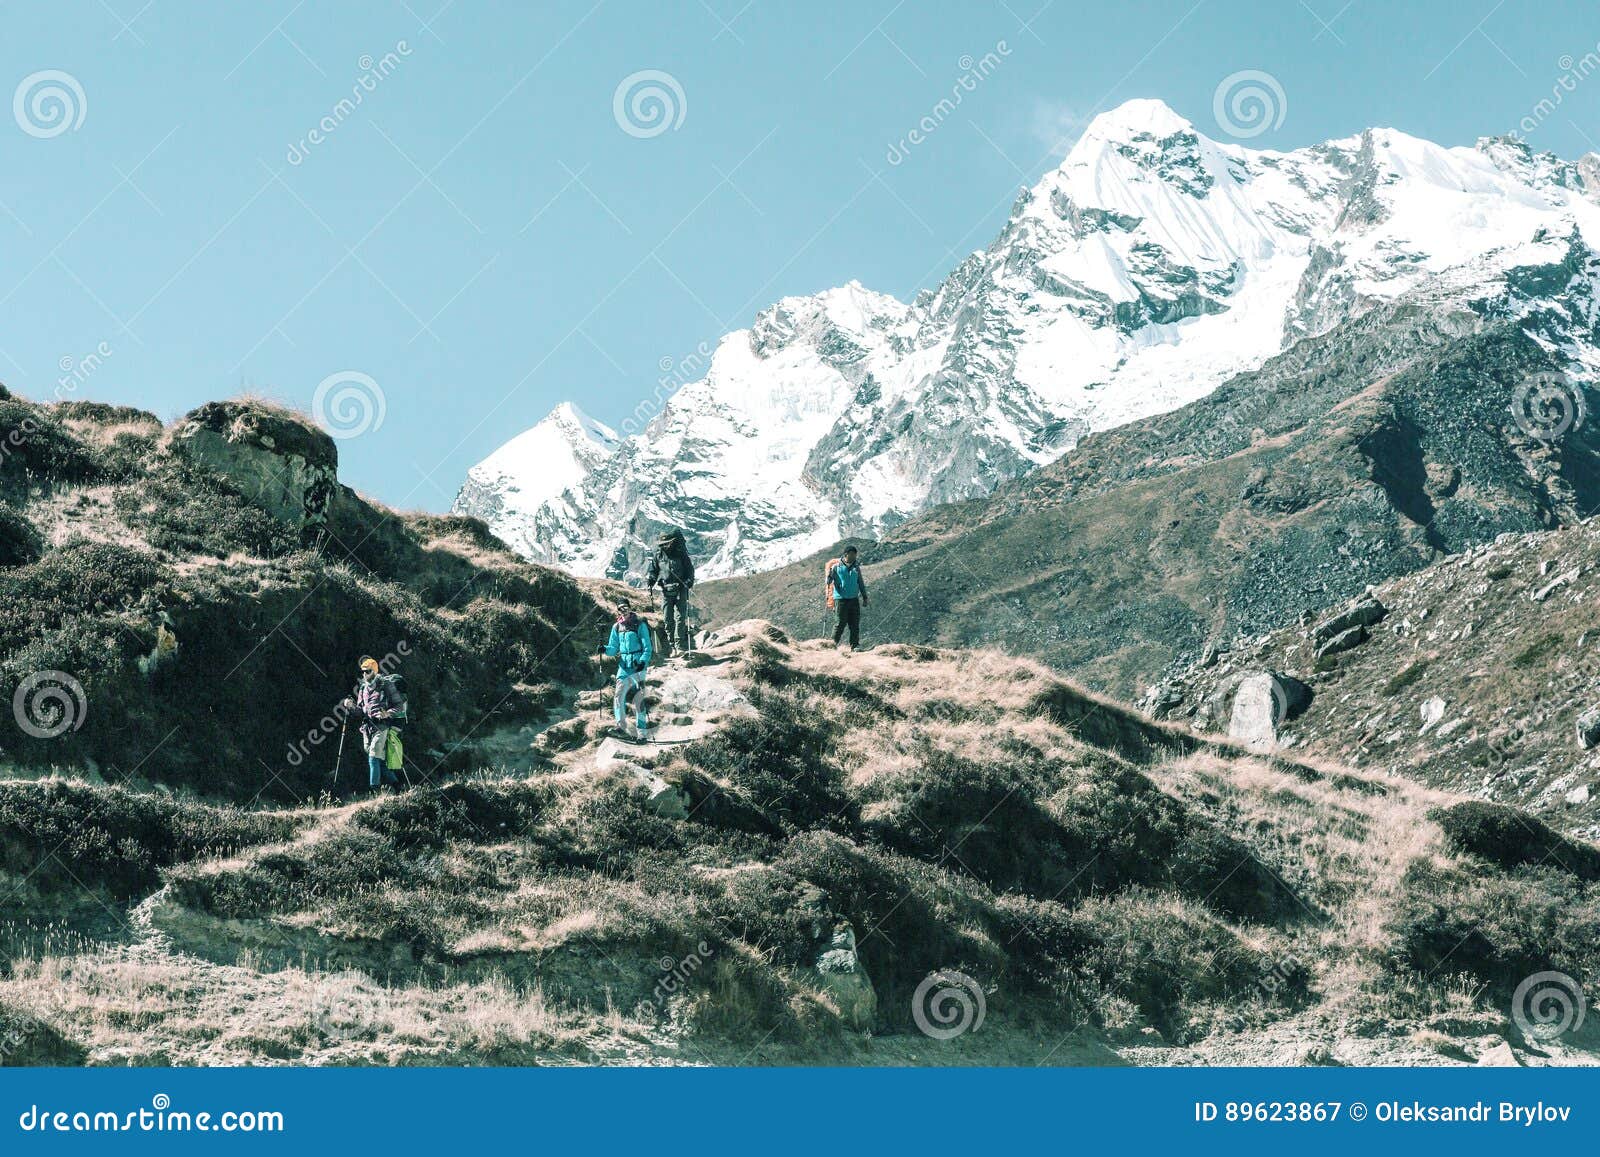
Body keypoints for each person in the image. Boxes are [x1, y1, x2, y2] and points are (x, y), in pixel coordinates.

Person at [343, 655, 407, 790]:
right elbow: (361, 711)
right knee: (379, 761)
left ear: (375, 670)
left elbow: (399, 705)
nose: (365, 674)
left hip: (382, 726)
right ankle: (398, 786)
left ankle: (375, 791)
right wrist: (351, 707)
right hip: (367, 728)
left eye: (368, 671)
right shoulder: (362, 689)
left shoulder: (386, 685)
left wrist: (387, 713)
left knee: (373, 756)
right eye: (363, 672)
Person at [602, 599, 653, 741]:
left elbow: (647, 647)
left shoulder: (640, 625)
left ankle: (642, 733)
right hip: (624, 666)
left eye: (625, 607)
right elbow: (613, 649)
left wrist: (643, 662)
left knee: (638, 698)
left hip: (638, 665)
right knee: (618, 695)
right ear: (618, 611)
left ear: (630, 608)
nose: (623, 610)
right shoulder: (616, 627)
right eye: (620, 608)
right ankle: (620, 726)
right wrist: (604, 649)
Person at [645, 528, 696, 656]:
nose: (664, 546)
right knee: (668, 618)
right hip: (665, 590)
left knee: (680, 618)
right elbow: (653, 571)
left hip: (681, 590)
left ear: (672, 542)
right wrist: (651, 579)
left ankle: (679, 646)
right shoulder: (658, 555)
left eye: (666, 543)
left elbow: (690, 570)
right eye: (662, 544)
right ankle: (672, 645)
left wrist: (689, 581)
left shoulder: (681, 554)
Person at [827, 546, 870, 651]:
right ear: (846, 554)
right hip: (841, 599)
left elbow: (860, 582)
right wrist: (828, 578)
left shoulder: (856, 567)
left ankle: (854, 646)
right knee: (840, 623)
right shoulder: (836, 567)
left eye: (855, 554)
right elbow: (828, 581)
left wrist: (865, 597)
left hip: (854, 599)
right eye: (852, 554)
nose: (855, 556)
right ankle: (831, 646)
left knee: (854, 624)